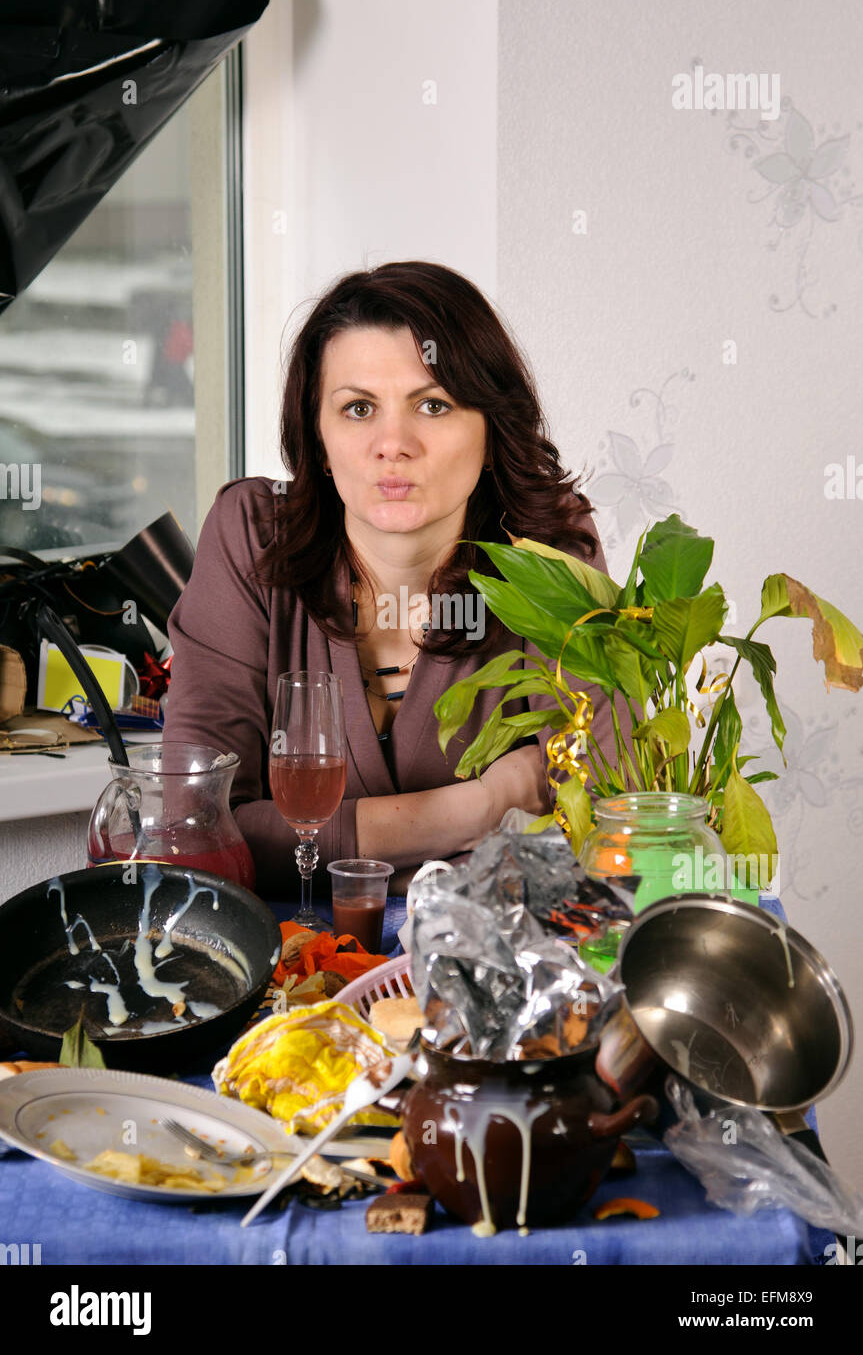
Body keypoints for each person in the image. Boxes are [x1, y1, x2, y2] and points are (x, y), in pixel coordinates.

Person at [163, 261, 631, 899]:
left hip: (491, 962)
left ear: (492, 431)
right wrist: (484, 805)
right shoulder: (251, 535)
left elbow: (605, 816)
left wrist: (309, 837)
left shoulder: (551, 549)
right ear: (318, 438)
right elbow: (196, 831)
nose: (393, 444)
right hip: (288, 976)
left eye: (433, 405)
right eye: (358, 408)